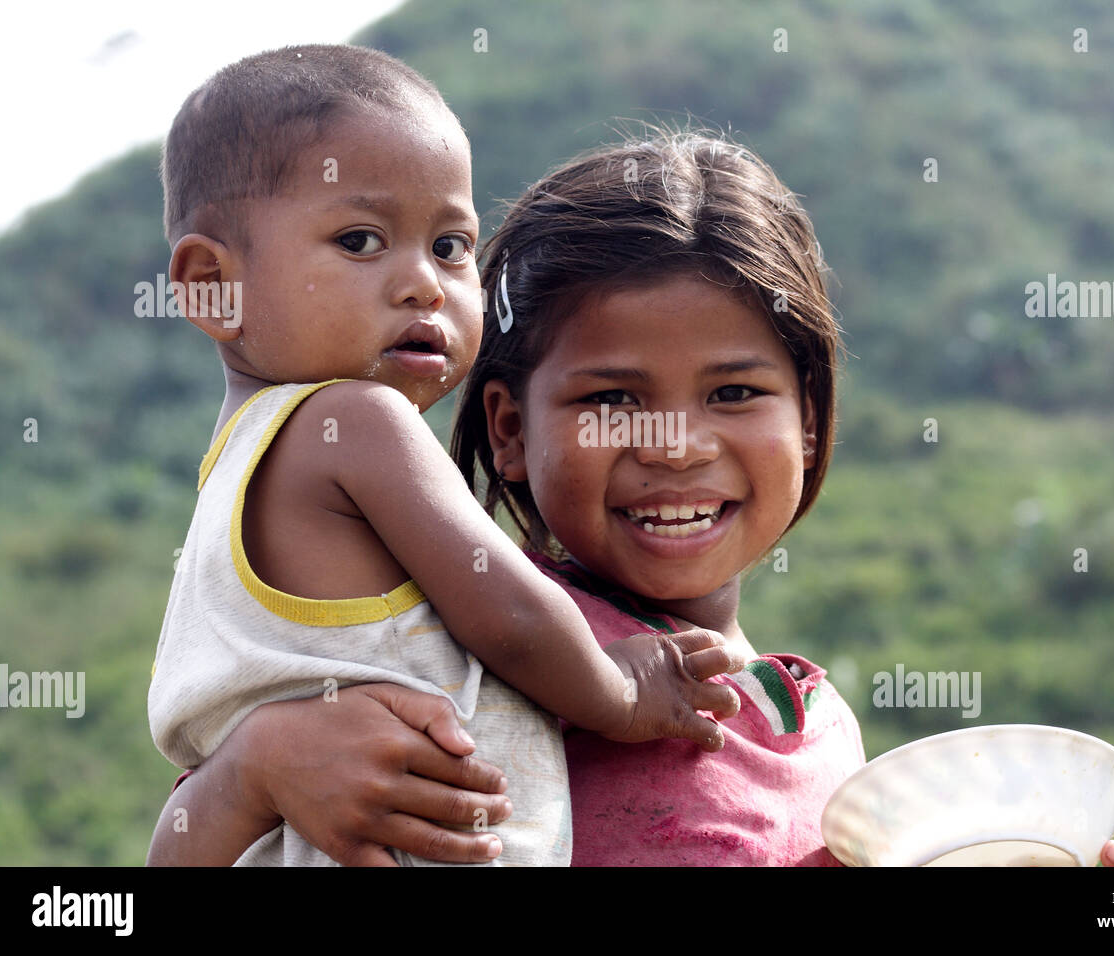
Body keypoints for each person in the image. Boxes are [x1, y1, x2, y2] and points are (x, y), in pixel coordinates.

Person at [149, 125, 1114, 867]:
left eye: (734, 392)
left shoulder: (821, 723)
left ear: (809, 421)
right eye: (612, 397)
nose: (674, 443)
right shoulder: (476, 644)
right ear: (508, 430)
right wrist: (258, 765)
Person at [147, 47, 742, 868]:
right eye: (361, 240)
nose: (424, 284)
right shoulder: (355, 420)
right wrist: (625, 692)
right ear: (214, 284)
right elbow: (514, 618)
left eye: (453, 246)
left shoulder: (230, 484)